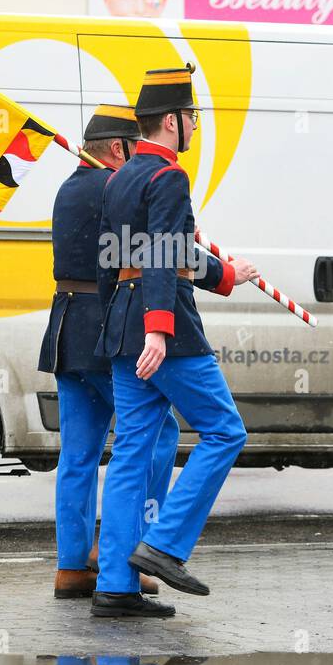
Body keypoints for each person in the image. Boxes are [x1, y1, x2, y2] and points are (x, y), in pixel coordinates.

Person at [91, 64, 257, 619]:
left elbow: (124, 256)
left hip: (122, 323)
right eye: (191, 118)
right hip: (164, 329)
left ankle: (116, 585)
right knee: (225, 430)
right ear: (171, 121)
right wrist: (159, 328)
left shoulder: (119, 179)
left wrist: (229, 275)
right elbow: (163, 252)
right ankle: (163, 546)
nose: (194, 127)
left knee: (131, 457)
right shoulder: (168, 178)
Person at [40, 105, 178, 600]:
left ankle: (73, 567)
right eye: (137, 150)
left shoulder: (68, 188)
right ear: (119, 149)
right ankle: (130, 551)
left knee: (78, 456)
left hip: (66, 331)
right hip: (107, 332)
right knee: (157, 435)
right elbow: (147, 256)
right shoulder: (118, 189)